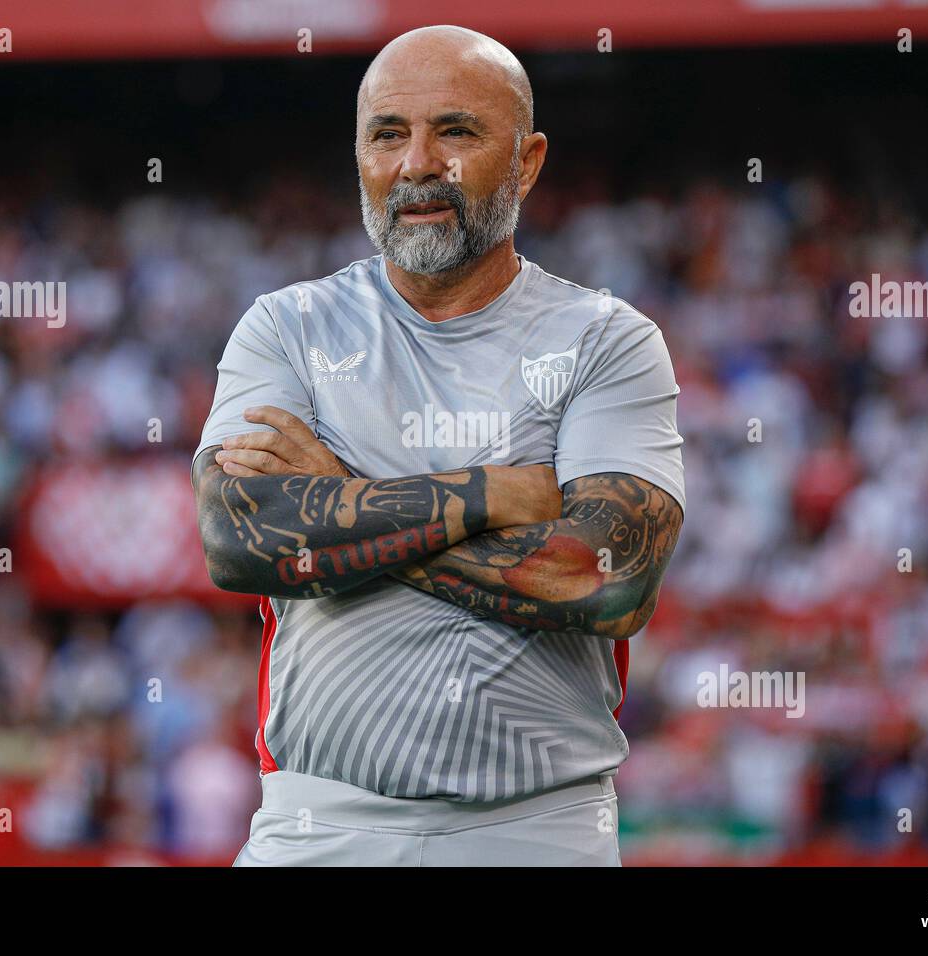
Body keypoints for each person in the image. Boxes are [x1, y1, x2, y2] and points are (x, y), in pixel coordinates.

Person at [192, 25, 686, 866]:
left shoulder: (607, 340)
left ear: (526, 162)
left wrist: (341, 498)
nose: (419, 163)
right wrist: (496, 495)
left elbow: (607, 579)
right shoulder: (286, 328)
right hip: (319, 821)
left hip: (537, 829)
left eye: (455, 130)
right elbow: (241, 540)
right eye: (389, 133)